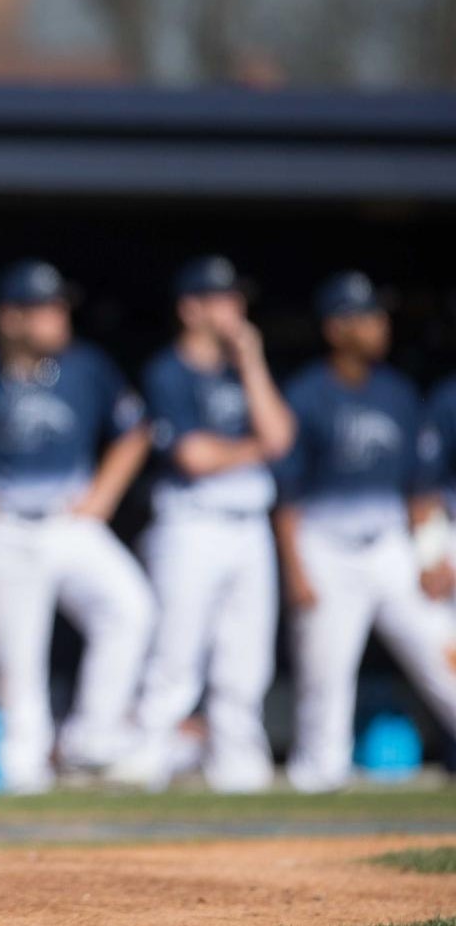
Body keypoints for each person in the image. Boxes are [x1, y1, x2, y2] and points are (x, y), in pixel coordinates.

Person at [0, 259, 155, 794]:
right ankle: (20, 771)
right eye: (43, 308)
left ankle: (91, 742)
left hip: (67, 521)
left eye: (58, 307)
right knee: (15, 661)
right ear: (10, 317)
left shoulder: (85, 366)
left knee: (130, 609)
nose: (56, 317)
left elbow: (135, 429)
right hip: (3, 526)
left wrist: (103, 493)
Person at [107, 256, 295, 792]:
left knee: (247, 655)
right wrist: (256, 448)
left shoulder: (244, 369)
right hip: (192, 521)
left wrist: (253, 362)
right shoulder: (168, 370)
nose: (233, 309)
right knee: (175, 651)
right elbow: (193, 456)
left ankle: (238, 762)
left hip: (248, 521)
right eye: (220, 299)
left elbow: (281, 437)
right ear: (190, 309)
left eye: (235, 298)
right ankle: (149, 752)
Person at [274, 271, 456, 793]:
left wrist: (431, 555)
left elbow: (419, 488)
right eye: (368, 316)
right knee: (324, 676)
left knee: (442, 652)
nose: (380, 326)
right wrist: (296, 569)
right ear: (338, 327)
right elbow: (286, 495)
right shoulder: (307, 394)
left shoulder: (398, 393)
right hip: (324, 544)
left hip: (390, 546)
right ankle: (319, 778)